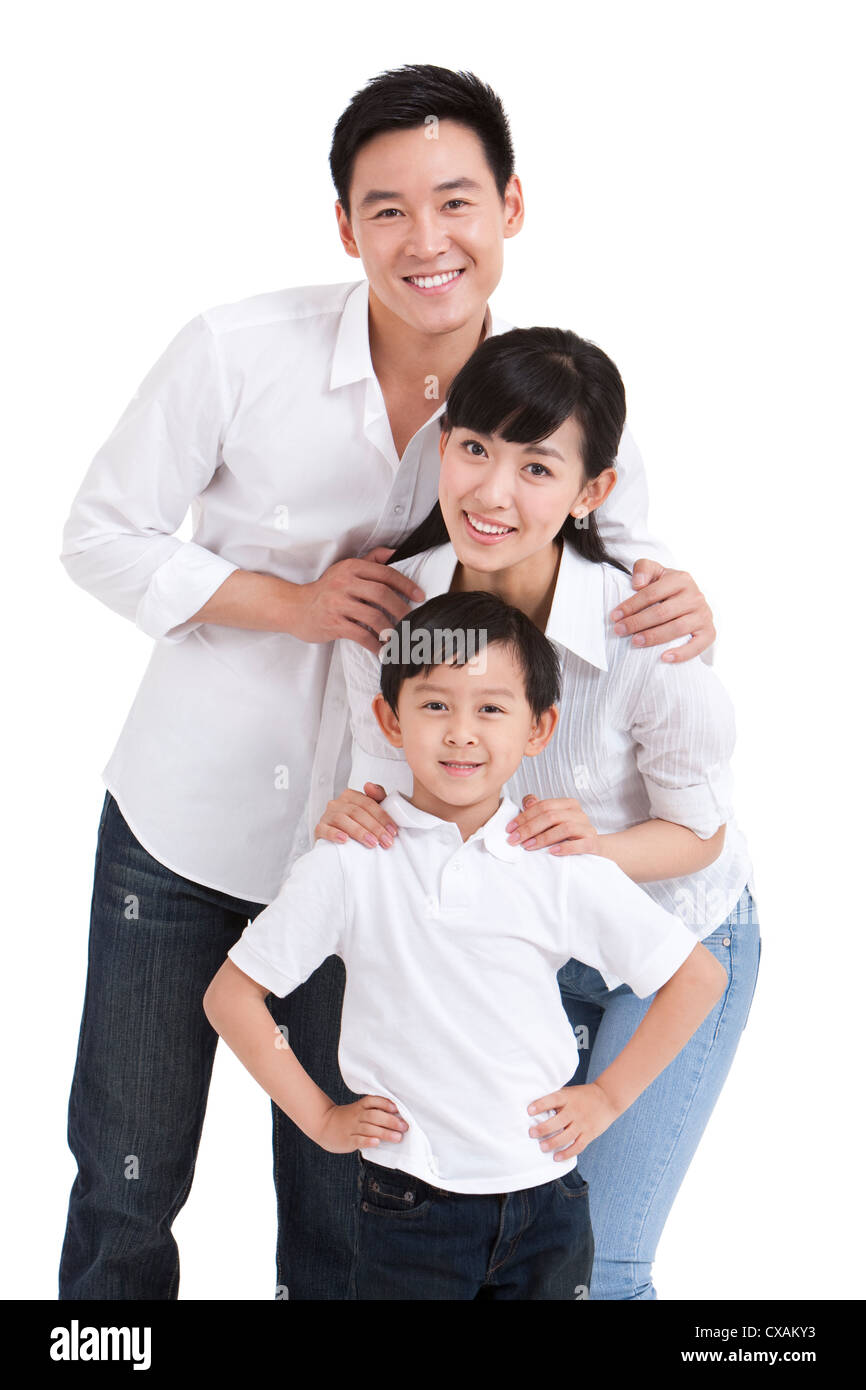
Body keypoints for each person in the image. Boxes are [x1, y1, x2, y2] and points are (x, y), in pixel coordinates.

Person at [58, 64, 718, 1301]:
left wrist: (685, 595)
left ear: (510, 208)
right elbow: (100, 535)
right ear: (345, 224)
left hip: (381, 854)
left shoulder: (536, 397)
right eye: (388, 209)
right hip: (189, 820)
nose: (428, 241)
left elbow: (622, 551)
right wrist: (296, 605)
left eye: (457, 202)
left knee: (344, 1200)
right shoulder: (235, 349)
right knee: (129, 1181)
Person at [311, 324, 761, 1300]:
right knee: (498, 1246)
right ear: (441, 446)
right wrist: (354, 821)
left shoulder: (645, 627)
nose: (491, 492)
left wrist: (586, 850)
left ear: (590, 490)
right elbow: (398, 785)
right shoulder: (394, 610)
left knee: (603, 1268)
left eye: (535, 465)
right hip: (521, 950)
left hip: (674, 936)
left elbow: (699, 834)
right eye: (472, 448)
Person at [203, 592, 727, 1300]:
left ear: (540, 728)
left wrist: (604, 1098)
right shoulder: (353, 860)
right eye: (435, 705)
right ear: (390, 718)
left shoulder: (553, 860)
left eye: (490, 708)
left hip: (547, 1204)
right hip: (408, 1207)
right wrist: (322, 1119)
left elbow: (696, 977)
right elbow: (232, 996)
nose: (461, 733)